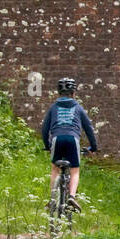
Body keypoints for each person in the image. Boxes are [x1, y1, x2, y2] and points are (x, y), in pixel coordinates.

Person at [40, 77, 98, 210]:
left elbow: (44, 129)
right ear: (73, 94)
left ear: (58, 93)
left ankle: (53, 198)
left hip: (57, 139)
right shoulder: (78, 108)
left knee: (55, 168)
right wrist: (93, 147)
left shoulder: (53, 107)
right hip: (73, 139)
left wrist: (47, 145)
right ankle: (72, 196)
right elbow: (89, 128)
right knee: (74, 170)